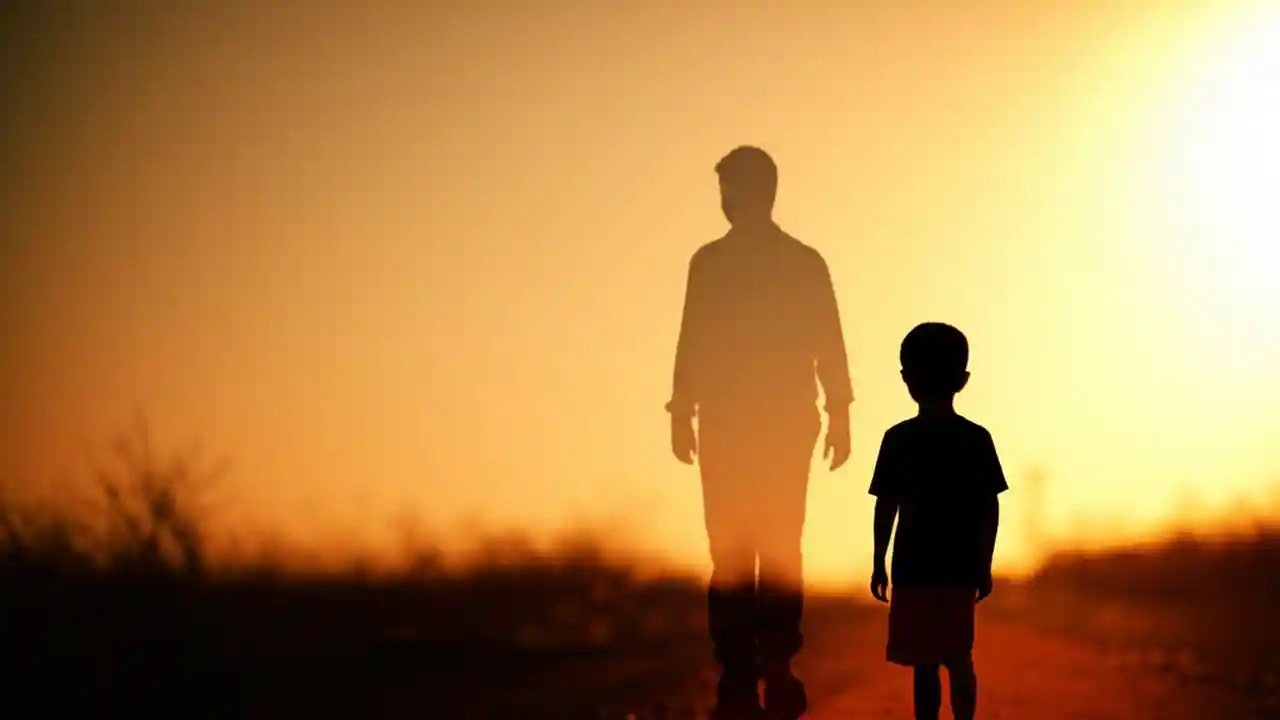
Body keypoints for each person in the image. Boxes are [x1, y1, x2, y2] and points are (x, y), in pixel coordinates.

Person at [666, 146, 853, 720]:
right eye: (723, 191)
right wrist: (680, 409)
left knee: (772, 545)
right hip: (727, 426)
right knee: (734, 549)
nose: (726, 202)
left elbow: (828, 339)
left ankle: (773, 665)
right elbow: (692, 337)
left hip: (775, 427)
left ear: (762, 193)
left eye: (733, 189)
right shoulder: (711, 264)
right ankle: (742, 673)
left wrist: (840, 410)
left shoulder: (801, 263)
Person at [867, 322, 1007, 720]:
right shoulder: (976, 439)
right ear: (962, 380)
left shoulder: (898, 439)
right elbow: (989, 508)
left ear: (906, 379)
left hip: (913, 569)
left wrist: (879, 560)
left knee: (923, 662)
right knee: (959, 657)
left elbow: (885, 506)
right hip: (960, 568)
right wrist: (985, 562)